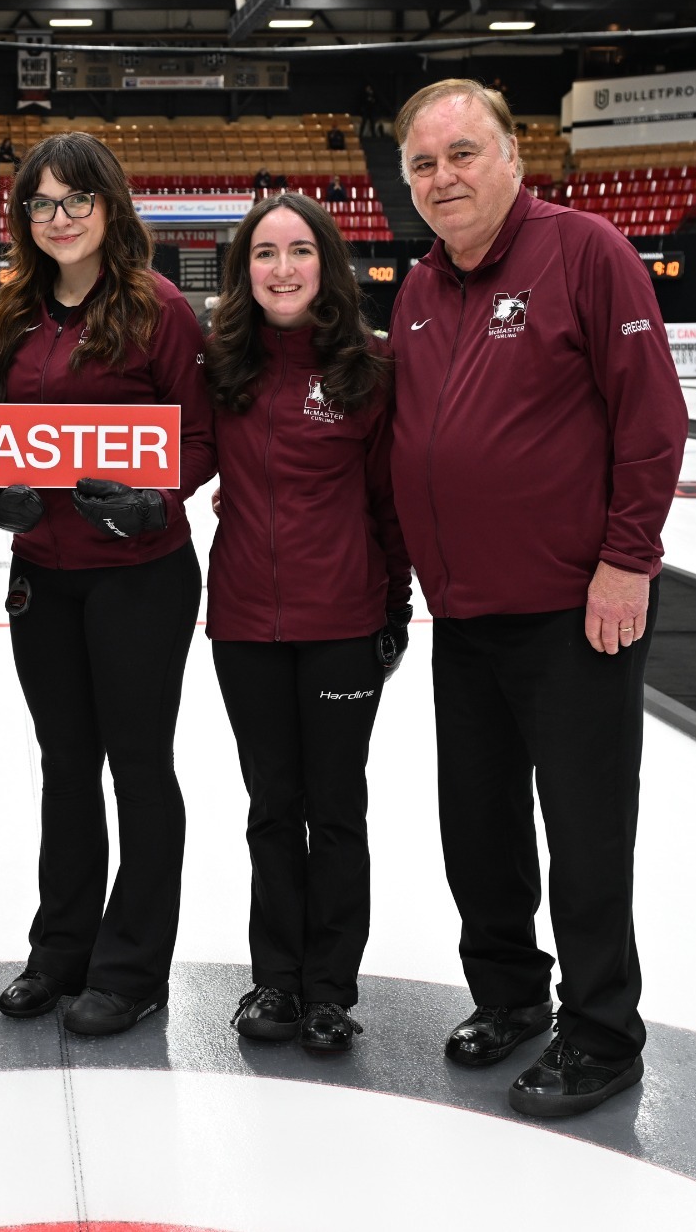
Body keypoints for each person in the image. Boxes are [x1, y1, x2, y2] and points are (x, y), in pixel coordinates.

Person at [389, 79, 686, 1117]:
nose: (442, 178)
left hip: (573, 612)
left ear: (511, 155)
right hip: (462, 616)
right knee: (477, 828)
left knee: (585, 830)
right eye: (422, 164)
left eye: (461, 154)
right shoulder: (419, 286)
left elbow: (652, 417)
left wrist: (627, 557)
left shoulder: (584, 252)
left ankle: (602, 1032)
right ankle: (509, 996)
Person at [0, 131, 216, 1036]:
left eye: (76, 199)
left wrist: (158, 502)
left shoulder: (159, 309)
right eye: (41, 203)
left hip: (140, 578)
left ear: (110, 206)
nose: (60, 218)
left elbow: (197, 440)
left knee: (138, 766)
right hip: (44, 574)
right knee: (65, 767)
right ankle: (63, 948)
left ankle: (132, 966)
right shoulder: (13, 313)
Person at [204, 193, 412, 1055]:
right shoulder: (220, 365)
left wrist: (395, 605)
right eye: (263, 253)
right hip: (245, 619)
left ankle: (329, 989)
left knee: (335, 808)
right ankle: (273, 982)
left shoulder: (369, 366)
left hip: (342, 617)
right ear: (242, 270)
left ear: (326, 262)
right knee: (268, 806)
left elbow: (390, 500)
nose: (281, 268)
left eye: (297, 251)